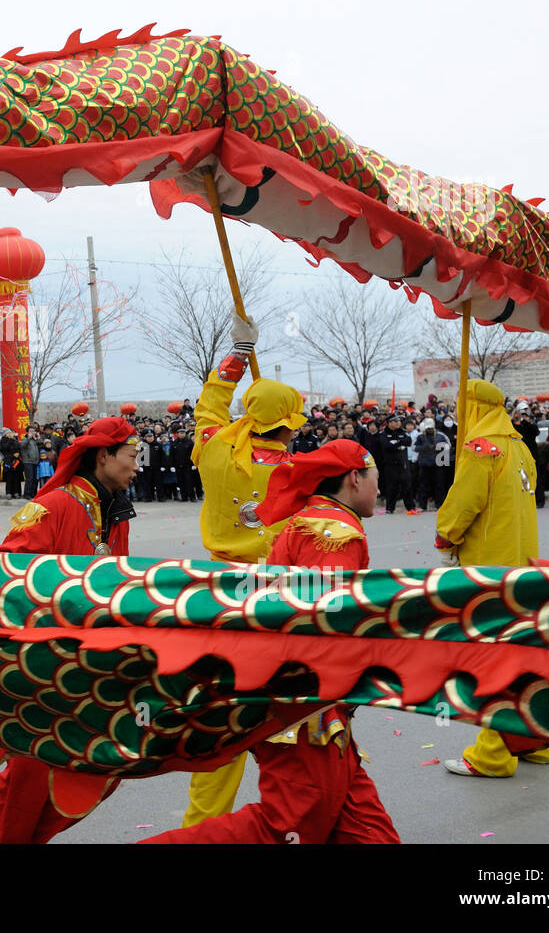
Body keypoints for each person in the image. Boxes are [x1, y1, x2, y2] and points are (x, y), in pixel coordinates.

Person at [140, 440, 399, 845]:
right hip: (305, 710)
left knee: (369, 834)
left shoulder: (307, 520)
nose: (378, 491)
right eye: (375, 480)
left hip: (315, 710)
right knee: (283, 828)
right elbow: (321, 622)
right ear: (354, 478)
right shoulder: (333, 532)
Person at [0, 417, 140, 844]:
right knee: (29, 779)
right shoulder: (53, 506)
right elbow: (1, 575)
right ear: (104, 456)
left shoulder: (116, 513)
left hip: (95, 666)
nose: (138, 467)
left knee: (95, 774)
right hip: (47, 665)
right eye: (132, 457)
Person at [183, 314, 306, 826]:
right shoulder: (299, 472)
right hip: (280, 597)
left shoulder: (214, 447)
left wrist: (237, 352)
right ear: (288, 423)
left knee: (223, 718)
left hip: (220, 592)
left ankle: (201, 826)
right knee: (291, 717)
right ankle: (294, 820)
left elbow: (210, 407)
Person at [438, 379, 545, 779]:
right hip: (522, 563)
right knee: (520, 653)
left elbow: (464, 503)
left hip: (489, 566)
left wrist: (446, 535)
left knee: (492, 661)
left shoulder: (480, 448)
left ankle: (492, 754)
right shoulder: (517, 446)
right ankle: (531, 742)